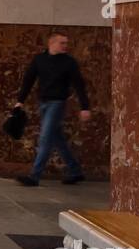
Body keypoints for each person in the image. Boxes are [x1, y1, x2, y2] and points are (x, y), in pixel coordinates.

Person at [14, 32, 91, 186]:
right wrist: (20, 101)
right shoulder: (39, 60)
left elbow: (79, 85)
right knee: (58, 139)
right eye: (62, 43)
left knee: (45, 138)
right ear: (52, 43)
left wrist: (85, 107)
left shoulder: (69, 62)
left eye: (66, 43)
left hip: (57, 103)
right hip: (43, 102)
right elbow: (28, 80)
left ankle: (34, 176)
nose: (65, 46)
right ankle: (75, 171)